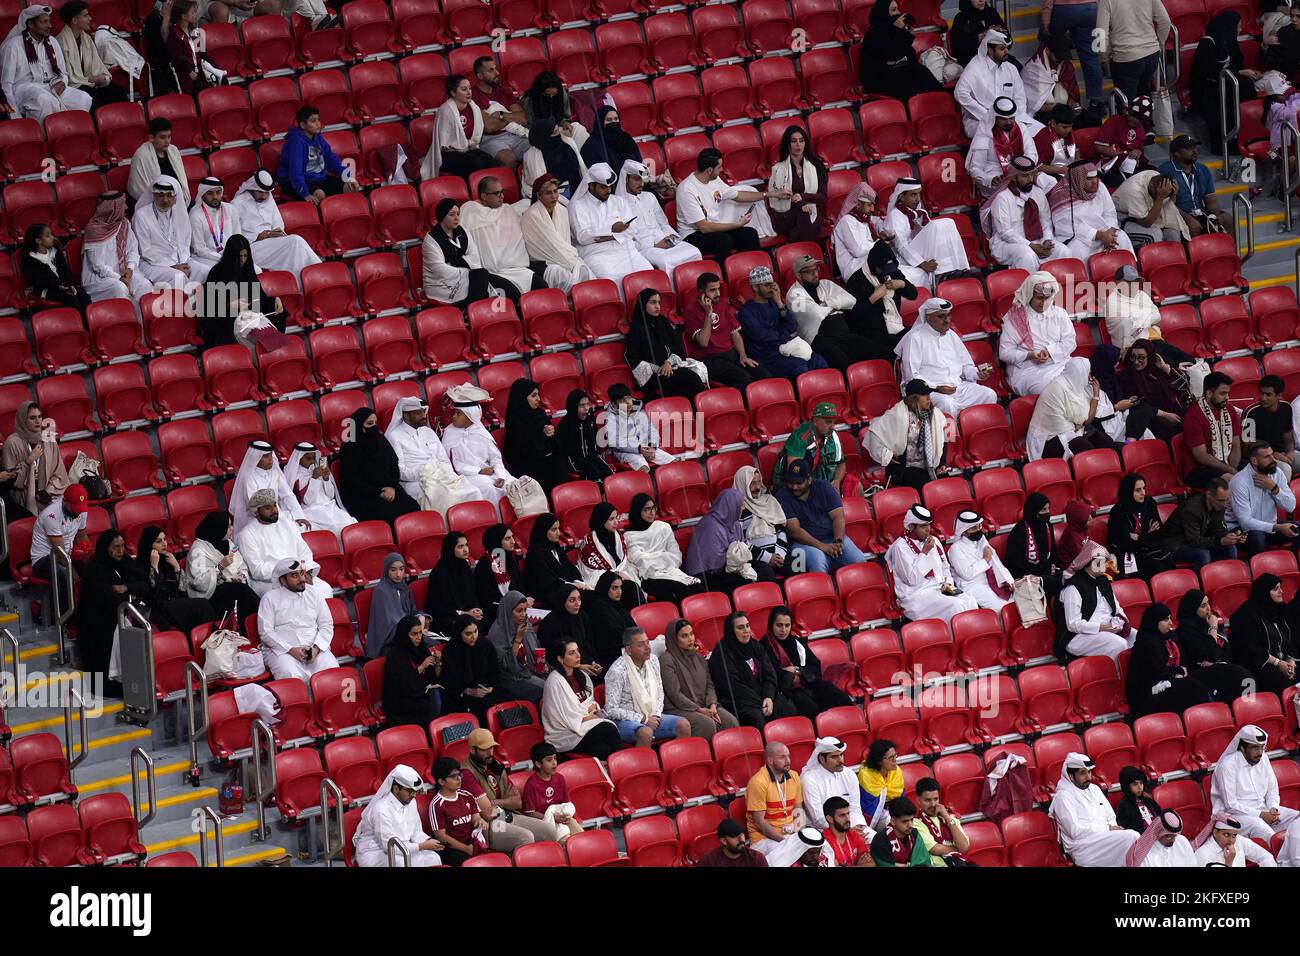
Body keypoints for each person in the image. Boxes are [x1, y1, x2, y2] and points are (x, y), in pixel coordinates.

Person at [1209, 725, 1300, 864]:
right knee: (1263, 829)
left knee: (1296, 818)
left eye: (1262, 747)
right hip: (1233, 816)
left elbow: (1272, 788)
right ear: (1242, 747)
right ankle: (1283, 863)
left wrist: (1273, 808)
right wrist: (1261, 815)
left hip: (1264, 808)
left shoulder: (1263, 758)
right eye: (1255, 748)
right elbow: (1230, 804)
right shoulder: (1227, 766)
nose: (1260, 752)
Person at [896, 298, 998, 418]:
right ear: (928, 318)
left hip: (958, 387)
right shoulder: (914, 339)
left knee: (989, 394)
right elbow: (912, 376)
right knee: (947, 404)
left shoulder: (952, 335)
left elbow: (966, 366)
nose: (947, 320)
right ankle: (952, 436)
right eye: (941, 317)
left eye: (949, 315)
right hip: (930, 391)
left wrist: (977, 374)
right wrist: (937, 388)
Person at [460, 728, 554, 852]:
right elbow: (487, 814)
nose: (490, 752)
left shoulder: (495, 766)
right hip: (490, 825)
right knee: (526, 837)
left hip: (508, 814)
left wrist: (496, 802)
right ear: (472, 749)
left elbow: (518, 802)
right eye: (485, 749)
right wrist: (504, 802)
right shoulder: (467, 773)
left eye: (492, 748)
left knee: (550, 831)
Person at [462, 176, 558, 297]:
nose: (502, 196)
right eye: (497, 193)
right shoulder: (470, 211)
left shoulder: (508, 210)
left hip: (518, 269)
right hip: (493, 272)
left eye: (503, 192)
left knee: (544, 289)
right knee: (514, 296)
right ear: (484, 196)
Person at [885, 504, 980, 623]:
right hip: (917, 594)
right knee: (956, 605)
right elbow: (912, 580)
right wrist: (924, 553)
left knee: (971, 601)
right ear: (910, 526)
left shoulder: (934, 541)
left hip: (940, 587)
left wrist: (947, 583)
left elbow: (946, 568)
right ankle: (954, 639)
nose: (928, 529)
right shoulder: (900, 547)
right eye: (923, 526)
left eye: (929, 524)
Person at [785, 254, 879, 373]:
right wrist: (835, 306)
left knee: (876, 350)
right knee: (842, 361)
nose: (815, 274)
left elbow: (850, 300)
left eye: (816, 269)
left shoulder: (826, 284)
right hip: (818, 338)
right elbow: (815, 314)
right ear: (798, 275)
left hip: (843, 333)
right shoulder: (794, 294)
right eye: (809, 271)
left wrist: (826, 303)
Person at [675, 147, 772, 258]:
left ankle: (753, 268)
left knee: (749, 234)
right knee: (724, 241)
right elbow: (704, 227)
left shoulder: (714, 180)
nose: (722, 170)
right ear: (709, 170)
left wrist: (768, 194)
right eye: (719, 167)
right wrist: (737, 224)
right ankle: (722, 273)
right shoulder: (686, 189)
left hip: (713, 229)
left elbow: (738, 195)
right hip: (691, 234)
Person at [385, 396, 476, 513]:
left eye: (423, 411)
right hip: (415, 481)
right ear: (406, 416)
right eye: (418, 413)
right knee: (446, 497)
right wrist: (427, 472)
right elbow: (400, 471)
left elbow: (444, 460)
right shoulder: (394, 436)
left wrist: (443, 473)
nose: (424, 416)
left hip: (441, 475)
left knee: (472, 491)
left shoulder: (428, 431)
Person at [0, 5, 91, 121]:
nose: (50, 26)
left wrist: (62, 83)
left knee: (83, 98)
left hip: (51, 86)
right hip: (23, 90)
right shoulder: (13, 46)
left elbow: (63, 73)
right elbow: (5, 85)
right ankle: (43, 137)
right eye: (44, 22)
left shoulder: (52, 41)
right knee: (44, 99)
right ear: (31, 24)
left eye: (49, 21)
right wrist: (14, 115)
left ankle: (72, 135)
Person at [738, 266, 827, 383]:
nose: (771, 288)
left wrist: (780, 303)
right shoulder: (746, 311)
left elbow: (792, 326)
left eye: (772, 284)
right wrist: (785, 334)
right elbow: (762, 336)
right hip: (768, 355)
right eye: (766, 285)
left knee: (820, 362)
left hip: (789, 346)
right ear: (755, 287)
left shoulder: (775, 303)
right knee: (799, 367)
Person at [777, 458, 867, 575]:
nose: (794, 487)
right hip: (802, 544)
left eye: (799, 483)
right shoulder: (783, 495)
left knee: (859, 560)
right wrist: (824, 547)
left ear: (809, 479)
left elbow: (838, 517)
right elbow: (795, 531)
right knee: (818, 564)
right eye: (791, 482)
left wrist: (838, 541)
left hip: (831, 537)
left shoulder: (823, 487)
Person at [603, 627, 689, 747]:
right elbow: (611, 710)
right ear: (629, 650)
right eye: (641, 645)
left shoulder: (653, 660)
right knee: (645, 732)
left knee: (683, 725)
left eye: (648, 642)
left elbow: (660, 692)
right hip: (625, 722)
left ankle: (680, 763)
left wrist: (657, 716)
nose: (648, 647)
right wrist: (644, 720)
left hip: (652, 715)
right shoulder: (617, 671)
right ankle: (645, 765)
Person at [335, 408, 419, 531]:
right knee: (389, 515)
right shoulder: (349, 447)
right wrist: (378, 492)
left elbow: (394, 465)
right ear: (359, 426)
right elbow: (351, 480)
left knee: (413, 507)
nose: (374, 427)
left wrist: (392, 486)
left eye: (375, 423)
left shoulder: (380, 440)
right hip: (363, 494)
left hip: (389, 489)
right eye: (369, 423)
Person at [235, 491, 331, 599]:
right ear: (257, 512)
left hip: (298, 574)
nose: (274, 510)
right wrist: (287, 574)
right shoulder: (247, 535)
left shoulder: (287, 524)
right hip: (270, 582)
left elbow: (304, 551)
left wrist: (306, 571)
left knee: (324, 589)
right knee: (292, 597)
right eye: (268, 508)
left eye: (275, 505)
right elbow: (257, 569)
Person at [1049, 752, 1141, 866]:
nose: (1088, 777)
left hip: (1104, 838)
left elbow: (1111, 816)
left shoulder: (1095, 789)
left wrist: (1113, 829)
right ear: (1071, 776)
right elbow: (1074, 831)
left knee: (1137, 840)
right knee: (1132, 837)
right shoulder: (1063, 797)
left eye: (1089, 772)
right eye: (1082, 773)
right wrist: (1107, 829)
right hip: (1083, 846)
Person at [568, 163, 653, 284]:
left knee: (648, 273)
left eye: (610, 187)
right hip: (597, 255)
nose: (608, 190)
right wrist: (612, 230)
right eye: (603, 187)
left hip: (625, 251)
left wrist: (605, 236)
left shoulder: (618, 201)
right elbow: (582, 237)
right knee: (611, 281)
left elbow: (632, 229)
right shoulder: (577, 206)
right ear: (591, 185)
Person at [761, 607, 853, 718]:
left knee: (841, 698)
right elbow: (774, 676)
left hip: (808, 684)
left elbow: (815, 666)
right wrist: (797, 676)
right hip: (787, 692)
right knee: (815, 711)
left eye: (787, 625)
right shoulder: (764, 646)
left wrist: (797, 670)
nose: (784, 630)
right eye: (779, 625)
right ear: (772, 625)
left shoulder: (796, 642)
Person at [682, 272, 768, 390]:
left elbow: (735, 333)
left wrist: (743, 356)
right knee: (742, 377)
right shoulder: (690, 311)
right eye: (712, 290)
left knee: (762, 374)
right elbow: (703, 342)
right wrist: (708, 314)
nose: (718, 293)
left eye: (718, 289)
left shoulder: (723, 304)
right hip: (710, 360)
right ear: (701, 292)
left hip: (731, 355)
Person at [257, 558, 337, 682]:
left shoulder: (314, 594)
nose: (302, 579)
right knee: (290, 675)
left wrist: (316, 649)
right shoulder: (269, 599)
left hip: (314, 649)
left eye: (301, 573)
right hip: (282, 652)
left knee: (332, 672)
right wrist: (291, 650)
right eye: (295, 576)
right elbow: (266, 633)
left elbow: (326, 625)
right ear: (282, 580)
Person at [983, 159, 1071, 274]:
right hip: (1008, 244)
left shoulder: (1038, 193)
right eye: (1024, 176)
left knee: (1064, 251)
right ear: (1014, 177)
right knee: (1027, 254)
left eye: (1031, 174)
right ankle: (1033, 290)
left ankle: (1059, 287)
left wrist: (1047, 241)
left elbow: (1046, 222)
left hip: (1037, 239)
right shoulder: (1002, 198)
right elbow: (1005, 233)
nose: (1030, 179)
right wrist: (1031, 245)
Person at [882, 178, 972, 290]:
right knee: (935, 225)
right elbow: (901, 246)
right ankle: (941, 274)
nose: (918, 199)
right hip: (907, 258)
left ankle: (958, 267)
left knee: (949, 222)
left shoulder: (917, 212)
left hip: (919, 250)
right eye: (913, 195)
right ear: (901, 196)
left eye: (919, 194)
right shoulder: (895, 216)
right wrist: (922, 263)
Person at [198, 234, 284, 349]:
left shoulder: (247, 270)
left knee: (271, 315)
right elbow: (209, 307)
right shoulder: (217, 272)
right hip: (227, 317)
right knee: (251, 331)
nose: (242, 260)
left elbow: (259, 296)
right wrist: (229, 305)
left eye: (245, 256)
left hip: (249, 314)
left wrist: (275, 299)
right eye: (239, 256)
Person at [711, 612, 795, 730]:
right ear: (731, 631)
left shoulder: (756, 646)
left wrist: (768, 697)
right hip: (740, 702)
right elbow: (733, 686)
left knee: (787, 707)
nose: (746, 630)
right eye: (741, 627)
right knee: (756, 717)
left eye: (747, 626)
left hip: (763, 699)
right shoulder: (721, 654)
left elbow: (770, 675)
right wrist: (760, 702)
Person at [1126, 603, 1213, 717]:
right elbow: (1157, 672)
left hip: (1171, 680)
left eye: (1170, 618)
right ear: (1155, 621)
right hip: (1150, 692)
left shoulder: (1169, 635)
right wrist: (1180, 671)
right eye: (1166, 619)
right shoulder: (1146, 642)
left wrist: (1182, 669)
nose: (1171, 623)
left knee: (1202, 683)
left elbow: (1183, 658)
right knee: (1195, 687)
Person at [541, 638, 623, 759]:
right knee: (608, 727)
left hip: (586, 725)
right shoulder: (554, 682)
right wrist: (590, 716)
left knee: (602, 749)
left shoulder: (582, 675)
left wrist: (593, 708)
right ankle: (624, 764)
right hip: (565, 733)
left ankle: (616, 774)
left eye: (577, 651)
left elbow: (588, 701)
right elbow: (562, 716)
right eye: (571, 653)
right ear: (560, 658)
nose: (577, 655)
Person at [1191, 12, 1261, 154]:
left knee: (1246, 86)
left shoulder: (1230, 40)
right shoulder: (1208, 43)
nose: (1240, 30)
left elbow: (1238, 63)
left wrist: (1249, 72)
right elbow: (1207, 72)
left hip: (1228, 82)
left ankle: (1247, 134)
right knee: (1232, 91)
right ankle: (1225, 142)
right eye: (1238, 27)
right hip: (1209, 86)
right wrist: (1240, 73)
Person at [614, 159, 700, 273]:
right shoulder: (618, 204)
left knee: (694, 251)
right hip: (645, 248)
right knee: (666, 261)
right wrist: (655, 244)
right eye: (636, 179)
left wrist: (671, 238)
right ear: (626, 179)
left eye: (642, 179)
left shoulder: (649, 197)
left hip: (665, 241)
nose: (641, 184)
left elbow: (663, 224)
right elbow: (626, 238)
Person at [229, 170, 321, 275]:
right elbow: (233, 237)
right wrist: (258, 237)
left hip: (272, 243)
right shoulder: (237, 204)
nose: (264, 196)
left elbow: (278, 225)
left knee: (296, 251)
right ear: (252, 188)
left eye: (266, 192)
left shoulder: (269, 199)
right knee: (295, 242)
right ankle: (318, 273)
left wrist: (275, 233)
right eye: (260, 192)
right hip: (252, 248)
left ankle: (307, 281)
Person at [659, 619, 739, 740]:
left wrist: (712, 705)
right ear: (674, 639)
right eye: (684, 636)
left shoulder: (698, 657)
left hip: (705, 706)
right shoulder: (666, 660)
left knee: (730, 721)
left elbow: (710, 685)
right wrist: (699, 710)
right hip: (679, 709)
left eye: (691, 634)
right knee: (707, 725)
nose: (691, 639)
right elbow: (675, 695)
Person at [999, 272, 1076, 397]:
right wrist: (1029, 355)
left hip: (1059, 363)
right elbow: (1005, 353)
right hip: (1029, 370)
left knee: (1084, 368)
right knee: (1053, 388)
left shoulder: (1060, 313)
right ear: (1030, 296)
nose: (1043, 303)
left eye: (1048, 299)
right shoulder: (1014, 318)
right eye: (1039, 298)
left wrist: (1049, 351)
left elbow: (1070, 342)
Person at [352, 765, 443, 868]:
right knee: (401, 863)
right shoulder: (381, 810)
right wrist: (421, 846)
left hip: (404, 847)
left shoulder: (411, 802)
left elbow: (416, 831)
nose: (413, 795)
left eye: (415, 792)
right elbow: (389, 847)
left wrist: (427, 841)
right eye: (410, 791)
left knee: (432, 857)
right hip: (375, 852)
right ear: (395, 788)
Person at [75, 531, 132, 695]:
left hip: (117, 613)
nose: (120, 551)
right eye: (116, 547)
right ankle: (109, 687)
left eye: (122, 546)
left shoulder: (124, 562)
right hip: (96, 621)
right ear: (106, 548)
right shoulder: (95, 569)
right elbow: (106, 598)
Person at [624, 289, 706, 402]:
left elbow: (677, 347)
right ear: (643, 304)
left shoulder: (662, 321)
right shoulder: (636, 328)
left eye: (658, 302)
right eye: (653, 302)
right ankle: (696, 415)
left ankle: (699, 415)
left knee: (692, 379)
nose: (657, 306)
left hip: (671, 368)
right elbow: (633, 358)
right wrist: (660, 369)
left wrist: (668, 362)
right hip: (653, 375)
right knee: (690, 380)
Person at [864, 381, 946, 492]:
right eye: (924, 395)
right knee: (927, 488)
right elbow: (873, 432)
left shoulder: (935, 414)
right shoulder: (897, 414)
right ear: (914, 398)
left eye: (929, 394)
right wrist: (887, 455)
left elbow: (944, 438)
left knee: (948, 487)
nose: (928, 398)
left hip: (931, 465)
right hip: (906, 467)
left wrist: (941, 463)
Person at [1174, 589, 1253, 703]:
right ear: (1193, 608)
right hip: (1198, 671)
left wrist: (1218, 662)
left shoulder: (1205, 623)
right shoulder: (1186, 630)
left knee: (1244, 671)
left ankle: (1251, 708)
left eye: (1208, 604)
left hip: (1217, 666)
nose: (1208, 609)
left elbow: (1224, 652)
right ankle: (1249, 706)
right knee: (1240, 674)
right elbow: (1212, 653)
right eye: (1203, 606)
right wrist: (1213, 628)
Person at [1059, 541, 1134, 661]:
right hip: (1079, 636)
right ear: (1090, 562)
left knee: (1139, 638)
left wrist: (1122, 620)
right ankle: (1118, 677)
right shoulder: (1073, 587)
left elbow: (1116, 606)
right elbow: (1073, 624)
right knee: (1119, 644)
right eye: (1102, 561)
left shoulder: (1103, 580)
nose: (1105, 565)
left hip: (1108, 626)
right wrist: (1102, 627)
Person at [521, 174, 594, 293]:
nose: (554, 196)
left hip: (566, 257)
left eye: (555, 191)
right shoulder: (532, 215)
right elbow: (547, 246)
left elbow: (564, 242)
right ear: (539, 195)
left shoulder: (562, 210)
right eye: (548, 193)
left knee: (586, 272)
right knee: (565, 277)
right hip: (543, 261)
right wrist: (569, 260)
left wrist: (570, 260)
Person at [623, 494, 701, 605]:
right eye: (647, 509)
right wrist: (663, 555)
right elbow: (640, 562)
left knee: (699, 589)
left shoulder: (663, 527)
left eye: (653, 508)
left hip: (671, 571)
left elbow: (677, 557)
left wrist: (652, 557)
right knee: (682, 592)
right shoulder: (629, 536)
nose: (652, 513)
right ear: (637, 511)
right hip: (649, 578)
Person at [840, 241, 913, 358]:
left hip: (895, 327)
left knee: (921, 337)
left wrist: (902, 284)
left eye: (889, 268)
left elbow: (913, 295)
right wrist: (874, 297)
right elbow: (854, 316)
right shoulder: (856, 281)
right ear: (873, 265)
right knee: (903, 348)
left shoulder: (893, 272)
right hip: (869, 332)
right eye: (882, 269)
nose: (885, 272)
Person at [1229, 575, 1299, 695]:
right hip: (1261, 665)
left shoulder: (1282, 609)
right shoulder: (1247, 613)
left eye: (1280, 587)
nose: (1281, 591)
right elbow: (1250, 648)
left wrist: (1290, 660)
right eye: (1276, 589)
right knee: (1283, 684)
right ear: (1265, 592)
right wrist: (1278, 662)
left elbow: (1294, 637)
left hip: (1284, 661)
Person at [1049, 162, 1135, 259]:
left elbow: (1109, 213)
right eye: (1089, 178)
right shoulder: (1061, 196)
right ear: (1077, 179)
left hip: (1105, 231)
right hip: (1081, 238)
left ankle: (1128, 272)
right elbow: (1068, 226)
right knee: (1076, 249)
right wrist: (1099, 235)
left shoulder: (1100, 187)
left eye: (1095, 177)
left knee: (1121, 237)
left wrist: (1110, 231)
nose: (1095, 182)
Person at [184, 510, 258, 620]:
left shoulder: (228, 543)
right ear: (217, 528)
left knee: (242, 591)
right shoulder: (198, 550)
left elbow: (241, 563)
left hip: (234, 586)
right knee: (242, 592)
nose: (232, 529)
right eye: (228, 527)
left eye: (231, 525)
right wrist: (220, 567)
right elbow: (199, 582)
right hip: (210, 594)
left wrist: (241, 575)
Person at [80, 192, 152, 305]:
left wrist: (129, 269)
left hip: (124, 273)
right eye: (123, 204)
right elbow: (97, 265)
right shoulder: (94, 230)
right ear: (112, 208)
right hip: (100, 278)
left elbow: (133, 249)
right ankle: (125, 321)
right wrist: (119, 277)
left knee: (144, 284)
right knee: (119, 288)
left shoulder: (124, 223)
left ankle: (140, 322)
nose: (126, 207)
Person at [1226, 441, 1298, 554]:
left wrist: (1274, 488)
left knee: (1298, 528)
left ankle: (1292, 562)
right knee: (1257, 538)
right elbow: (1245, 522)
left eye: (1272, 454)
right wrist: (1277, 527)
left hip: (1270, 524)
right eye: (1267, 457)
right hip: (1241, 530)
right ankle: (1261, 569)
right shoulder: (1239, 482)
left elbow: (1291, 506)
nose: (1273, 460)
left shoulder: (1277, 473)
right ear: (1254, 460)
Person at [133, 177, 204, 289]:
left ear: (175, 198)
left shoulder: (179, 213)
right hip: (152, 264)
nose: (165, 200)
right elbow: (145, 251)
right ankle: (185, 306)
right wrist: (172, 265)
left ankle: (205, 305)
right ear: (154, 196)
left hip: (180, 260)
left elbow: (185, 242)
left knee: (205, 271)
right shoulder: (141, 215)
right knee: (178, 277)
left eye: (169, 195)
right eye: (161, 195)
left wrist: (181, 261)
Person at [955, 30, 1028, 138]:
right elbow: (960, 93)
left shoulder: (1011, 68)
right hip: (979, 121)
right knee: (1002, 136)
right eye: (1002, 49)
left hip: (1010, 120)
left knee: (1040, 132)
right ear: (989, 50)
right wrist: (988, 117)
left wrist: (1016, 119)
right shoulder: (975, 67)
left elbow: (1020, 98)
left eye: (1007, 48)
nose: (1007, 52)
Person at [443, 401, 515, 509]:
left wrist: (500, 476)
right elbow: (455, 464)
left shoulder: (481, 432)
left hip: (493, 472)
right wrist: (479, 471)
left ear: (470, 416)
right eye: (455, 412)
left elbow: (495, 457)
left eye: (458, 413)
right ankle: (498, 522)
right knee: (489, 489)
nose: (453, 416)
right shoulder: (450, 433)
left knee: (515, 484)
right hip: (469, 475)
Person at [500, 380, 568, 495]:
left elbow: (554, 445)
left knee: (559, 462)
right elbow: (522, 450)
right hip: (527, 465)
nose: (538, 399)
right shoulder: (514, 421)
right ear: (522, 397)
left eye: (538, 394)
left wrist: (551, 434)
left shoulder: (540, 414)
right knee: (554, 468)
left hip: (546, 460)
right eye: (533, 395)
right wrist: (543, 436)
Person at [1097, 0, 1173, 103]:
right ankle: (1146, 117)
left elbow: (1101, 33)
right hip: (1151, 54)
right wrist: (1158, 43)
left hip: (1125, 57)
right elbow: (1165, 21)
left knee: (1126, 104)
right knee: (1144, 99)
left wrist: (1104, 58)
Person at [968, 96, 1045, 198]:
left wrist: (1022, 168)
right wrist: (989, 179)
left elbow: (1031, 153)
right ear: (994, 118)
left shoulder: (1020, 128)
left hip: (1022, 172)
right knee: (1007, 193)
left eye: (1011, 118)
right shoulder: (985, 134)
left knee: (1049, 182)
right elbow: (975, 168)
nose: (1008, 122)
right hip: (997, 175)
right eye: (1003, 119)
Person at [277, 106, 357, 203]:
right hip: (294, 182)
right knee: (319, 194)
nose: (318, 123)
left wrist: (347, 176)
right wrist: (304, 193)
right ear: (303, 125)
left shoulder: (317, 137)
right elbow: (295, 171)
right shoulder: (295, 141)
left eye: (318, 120)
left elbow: (331, 159)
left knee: (350, 186)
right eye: (313, 121)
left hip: (317, 178)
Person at [439, 614, 511, 723]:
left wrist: (491, 687)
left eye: (476, 631)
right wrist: (468, 691)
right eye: (468, 633)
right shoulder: (450, 651)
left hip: (486, 690)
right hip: (461, 695)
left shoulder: (485, 644)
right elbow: (449, 681)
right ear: (459, 633)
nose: (474, 636)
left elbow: (495, 671)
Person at [228, 440, 306, 538]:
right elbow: (255, 507)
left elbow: (288, 495)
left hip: (275, 513)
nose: (270, 459)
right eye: (265, 456)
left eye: (270, 455)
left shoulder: (275, 472)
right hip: (256, 518)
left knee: (303, 527)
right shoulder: (248, 478)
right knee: (288, 534)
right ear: (255, 458)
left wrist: (298, 515)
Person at [1, 402, 67, 519]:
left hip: (49, 492)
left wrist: (48, 491)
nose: (38, 421)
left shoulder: (48, 439)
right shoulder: (11, 443)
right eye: (32, 418)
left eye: (39, 416)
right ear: (23, 420)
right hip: (24, 495)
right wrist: (29, 461)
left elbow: (59, 473)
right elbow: (11, 480)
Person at [56, 1, 126, 108]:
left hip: (88, 83)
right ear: (74, 20)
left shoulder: (86, 38)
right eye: (85, 15)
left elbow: (97, 66)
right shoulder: (60, 42)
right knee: (92, 96)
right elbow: (69, 78)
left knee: (118, 92)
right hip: (73, 86)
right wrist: (91, 80)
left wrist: (102, 78)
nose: (90, 18)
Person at [766, 125, 828, 243]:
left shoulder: (816, 166)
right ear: (787, 145)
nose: (798, 144)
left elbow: (823, 197)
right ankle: (807, 255)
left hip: (811, 210)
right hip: (785, 215)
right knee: (804, 215)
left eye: (801, 140)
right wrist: (801, 204)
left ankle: (797, 252)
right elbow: (775, 197)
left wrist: (802, 197)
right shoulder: (778, 169)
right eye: (794, 141)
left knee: (798, 230)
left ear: (806, 143)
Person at [483, 591, 545, 707]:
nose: (523, 614)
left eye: (525, 610)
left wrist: (541, 664)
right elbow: (505, 666)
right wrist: (518, 638)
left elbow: (536, 651)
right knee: (546, 689)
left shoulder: (526, 625)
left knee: (560, 681)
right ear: (508, 611)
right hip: (510, 679)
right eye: (519, 611)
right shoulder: (498, 632)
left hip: (530, 672)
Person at [1181, 372, 1243, 487]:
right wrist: (1230, 471)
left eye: (1228, 393)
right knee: (1231, 481)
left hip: (1226, 464)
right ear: (1209, 393)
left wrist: (1233, 468)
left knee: (1256, 470)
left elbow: (1236, 443)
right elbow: (1201, 456)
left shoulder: (1229, 409)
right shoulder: (1193, 416)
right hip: (1198, 469)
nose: (1227, 398)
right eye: (1223, 393)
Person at [744, 741, 805, 857]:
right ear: (770, 761)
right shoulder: (758, 782)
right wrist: (785, 842)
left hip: (790, 834)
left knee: (818, 846)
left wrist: (799, 834)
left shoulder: (794, 776)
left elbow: (799, 810)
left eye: (788, 756)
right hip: (763, 839)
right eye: (782, 757)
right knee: (789, 854)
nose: (788, 761)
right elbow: (759, 823)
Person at [1157, 135, 1225, 238]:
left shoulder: (1202, 169)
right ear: (1177, 153)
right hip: (1177, 215)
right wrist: (1188, 218)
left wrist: (1217, 215)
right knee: (1194, 227)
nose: (1195, 151)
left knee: (1227, 219)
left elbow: (1211, 199)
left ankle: (1232, 252)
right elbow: (1166, 204)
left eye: (1194, 147)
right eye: (1189, 149)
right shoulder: (1164, 171)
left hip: (1199, 212)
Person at [948, 510, 1015, 610]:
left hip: (993, 581)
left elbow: (997, 563)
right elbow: (967, 574)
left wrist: (1010, 581)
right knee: (1002, 608)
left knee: (1015, 601)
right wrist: (985, 559)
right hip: (973, 586)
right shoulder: (955, 549)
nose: (979, 530)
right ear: (964, 531)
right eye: (974, 528)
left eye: (979, 526)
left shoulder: (981, 540)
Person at [382, 615, 441, 728]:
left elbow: (434, 678)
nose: (419, 637)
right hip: (402, 701)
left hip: (421, 693)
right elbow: (400, 686)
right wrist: (421, 667)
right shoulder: (395, 655)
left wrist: (438, 663)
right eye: (414, 634)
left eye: (420, 633)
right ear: (405, 635)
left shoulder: (422, 649)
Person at [801, 738, 871, 832]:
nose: (840, 760)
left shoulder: (849, 774)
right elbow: (819, 819)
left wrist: (859, 828)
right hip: (823, 831)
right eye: (834, 757)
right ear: (822, 759)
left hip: (852, 826)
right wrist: (849, 832)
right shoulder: (809, 779)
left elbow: (855, 809)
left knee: (874, 840)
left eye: (841, 755)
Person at [282, 444, 351, 538]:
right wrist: (314, 478)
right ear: (300, 458)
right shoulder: (295, 475)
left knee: (350, 521)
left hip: (329, 506)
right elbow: (308, 501)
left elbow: (330, 496)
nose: (312, 461)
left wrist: (326, 480)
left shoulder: (317, 469)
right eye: (308, 458)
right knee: (336, 527)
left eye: (314, 458)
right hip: (312, 509)